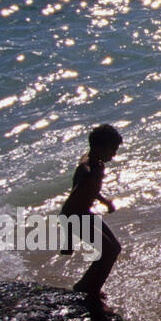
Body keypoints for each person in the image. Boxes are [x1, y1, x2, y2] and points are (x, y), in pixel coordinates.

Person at [59, 124, 123, 307]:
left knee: (114, 248)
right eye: (112, 150)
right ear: (99, 148)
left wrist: (104, 201)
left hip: (85, 213)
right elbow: (72, 201)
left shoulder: (97, 163)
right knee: (108, 251)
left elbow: (92, 189)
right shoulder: (86, 170)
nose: (114, 155)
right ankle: (86, 288)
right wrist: (68, 239)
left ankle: (90, 285)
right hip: (74, 216)